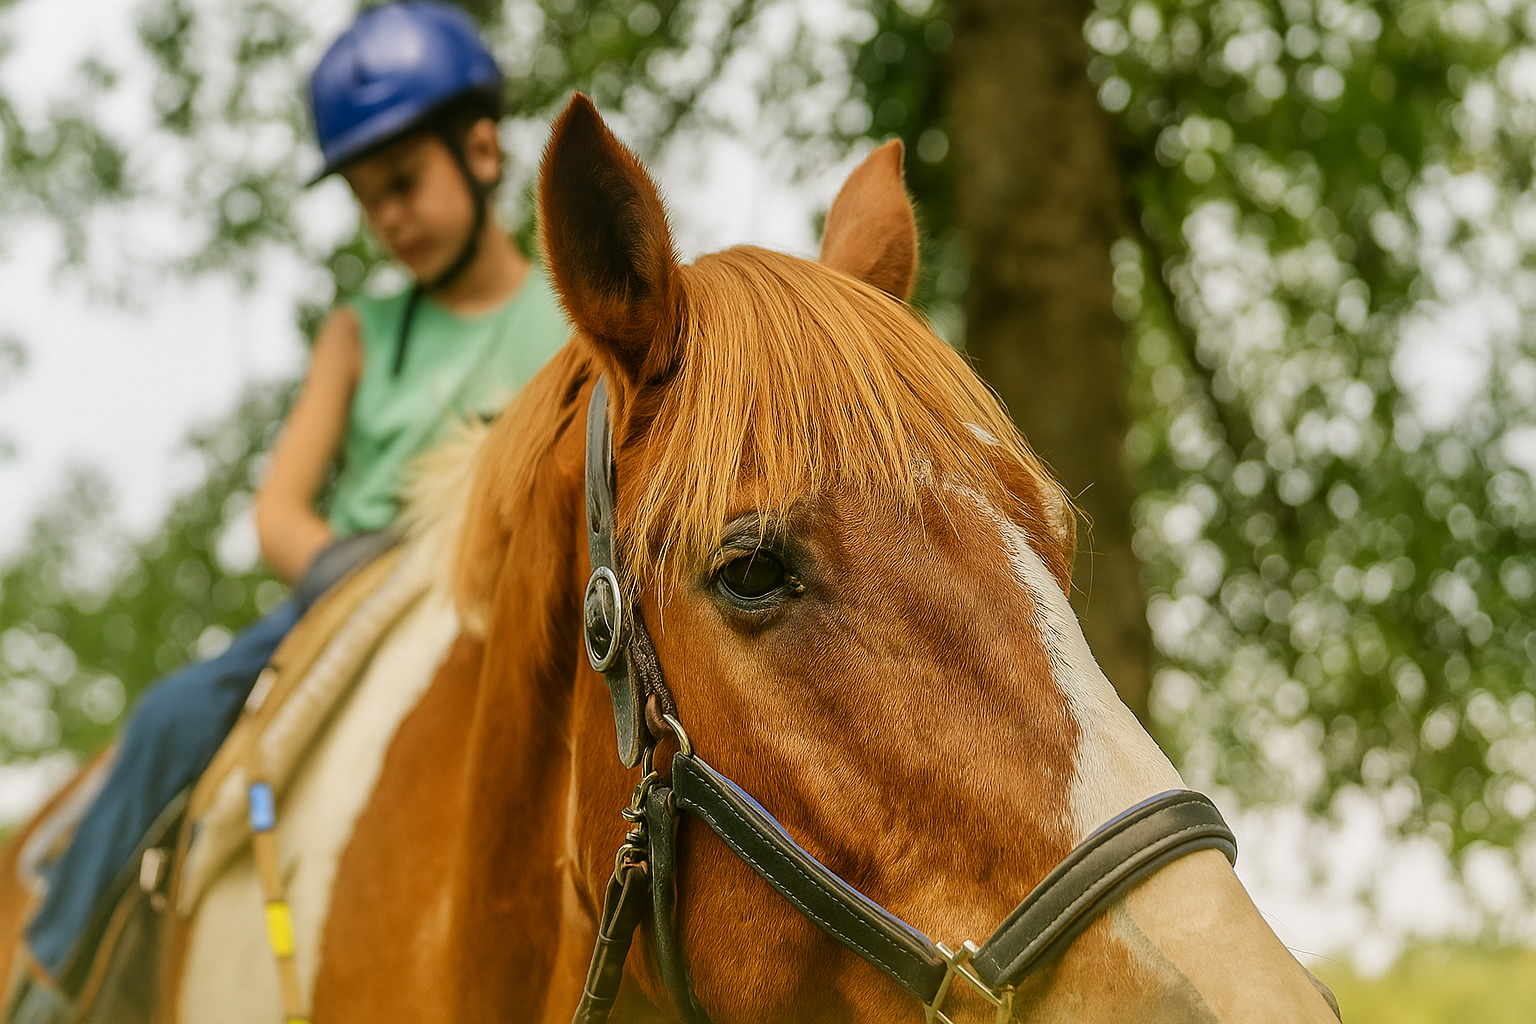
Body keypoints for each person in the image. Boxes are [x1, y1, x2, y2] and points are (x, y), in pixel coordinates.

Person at [21, 0, 569, 995]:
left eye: (404, 183)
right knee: (170, 718)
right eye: (370, 199)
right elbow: (277, 508)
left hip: (495, 600)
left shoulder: (568, 327)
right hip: (348, 593)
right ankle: (48, 980)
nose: (389, 217)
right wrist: (336, 563)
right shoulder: (358, 333)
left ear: (482, 150)